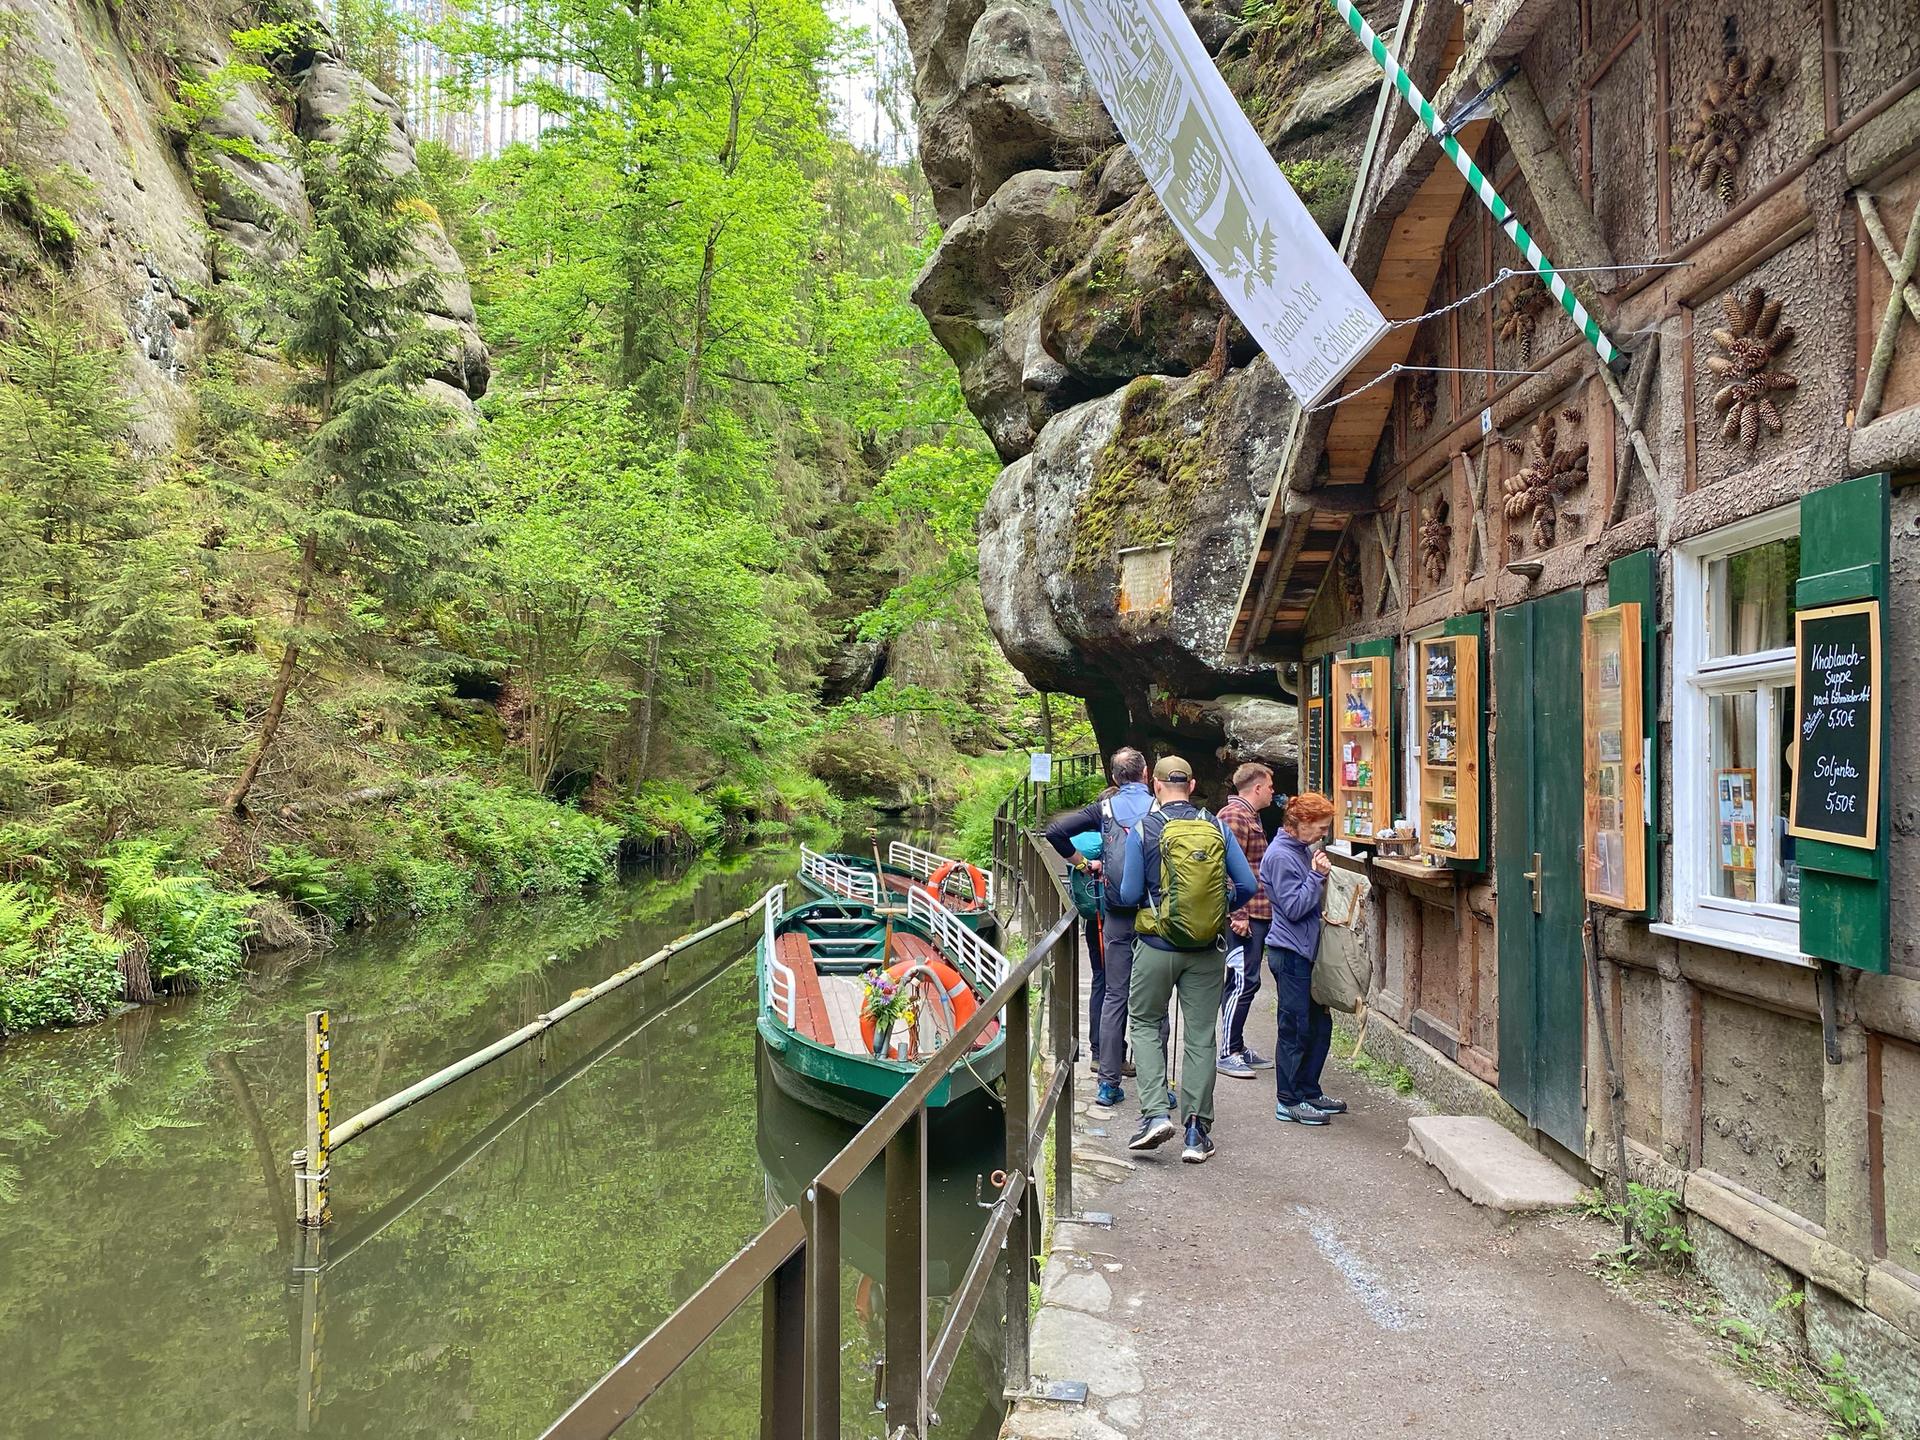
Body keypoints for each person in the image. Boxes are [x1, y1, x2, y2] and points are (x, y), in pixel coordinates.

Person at [1115, 756, 1257, 1164]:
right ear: (1192, 786)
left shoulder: (1144, 828)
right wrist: (1218, 907)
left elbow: (1126, 897)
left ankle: (1156, 1113)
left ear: (1154, 784)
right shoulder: (1216, 827)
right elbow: (1246, 884)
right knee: (1200, 1036)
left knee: (1142, 1023)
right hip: (1206, 951)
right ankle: (1196, 1132)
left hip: (1156, 948)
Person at [1044, 749, 1157, 1108]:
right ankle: (1158, 1084)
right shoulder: (1160, 809)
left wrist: (1084, 864)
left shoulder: (1104, 811)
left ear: (1113, 778)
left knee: (1111, 990)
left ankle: (1106, 1077)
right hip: (1154, 913)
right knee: (1154, 996)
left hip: (1114, 913)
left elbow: (1055, 831)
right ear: (1146, 774)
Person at [1259, 791, 1346, 1125]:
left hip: (1305, 950)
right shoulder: (1281, 855)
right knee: (1295, 1026)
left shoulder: (1299, 849)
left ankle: (1308, 1089)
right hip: (1290, 951)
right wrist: (1317, 876)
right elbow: (1294, 908)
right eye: (1321, 827)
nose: (1323, 833)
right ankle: (1288, 1099)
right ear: (1302, 823)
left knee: (1319, 1024)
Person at [1215, 762, 1276, 1080]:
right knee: (1242, 982)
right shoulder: (1234, 816)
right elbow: (1225, 867)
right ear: (1256, 788)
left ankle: (1235, 1043)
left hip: (1258, 912)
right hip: (1245, 916)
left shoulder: (1249, 815)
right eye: (1269, 785)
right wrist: (1236, 913)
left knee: (1248, 982)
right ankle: (1227, 1052)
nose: (1273, 791)